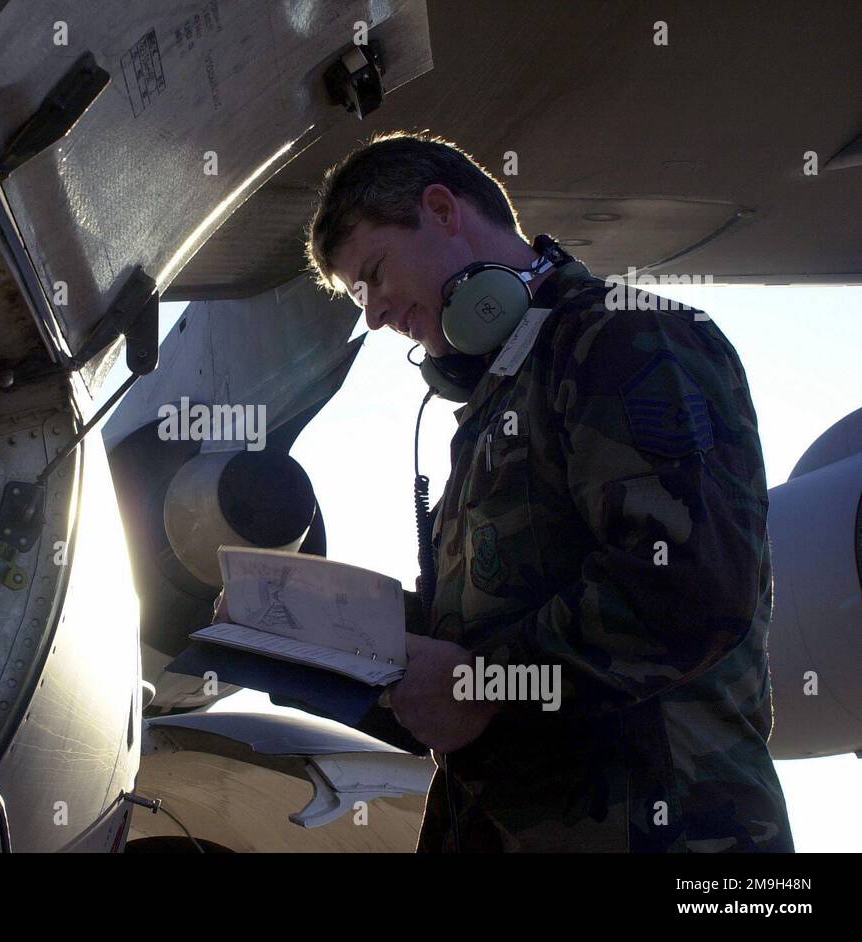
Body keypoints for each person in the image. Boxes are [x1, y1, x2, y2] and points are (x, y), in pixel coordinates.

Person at [303, 130, 794, 852]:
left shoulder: (629, 340)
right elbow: (463, 656)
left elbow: (691, 587)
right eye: (357, 295)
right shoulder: (496, 403)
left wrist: (483, 684)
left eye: (374, 274)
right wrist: (316, 627)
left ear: (442, 210)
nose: (372, 313)